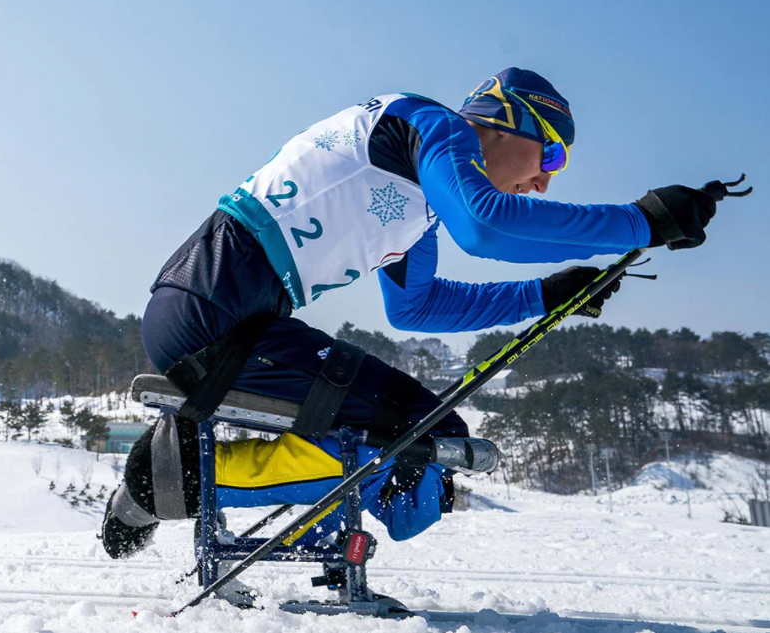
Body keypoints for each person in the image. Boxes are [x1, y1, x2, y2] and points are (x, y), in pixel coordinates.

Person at [102, 68, 721, 558]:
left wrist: (544, 295)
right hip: (212, 310)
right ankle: (165, 481)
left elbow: (417, 305)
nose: (545, 183)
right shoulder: (429, 126)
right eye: (551, 158)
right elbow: (484, 226)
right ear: (506, 123)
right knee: (418, 435)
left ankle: (298, 533)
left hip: (229, 315)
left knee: (422, 431)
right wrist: (640, 221)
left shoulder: (418, 196)